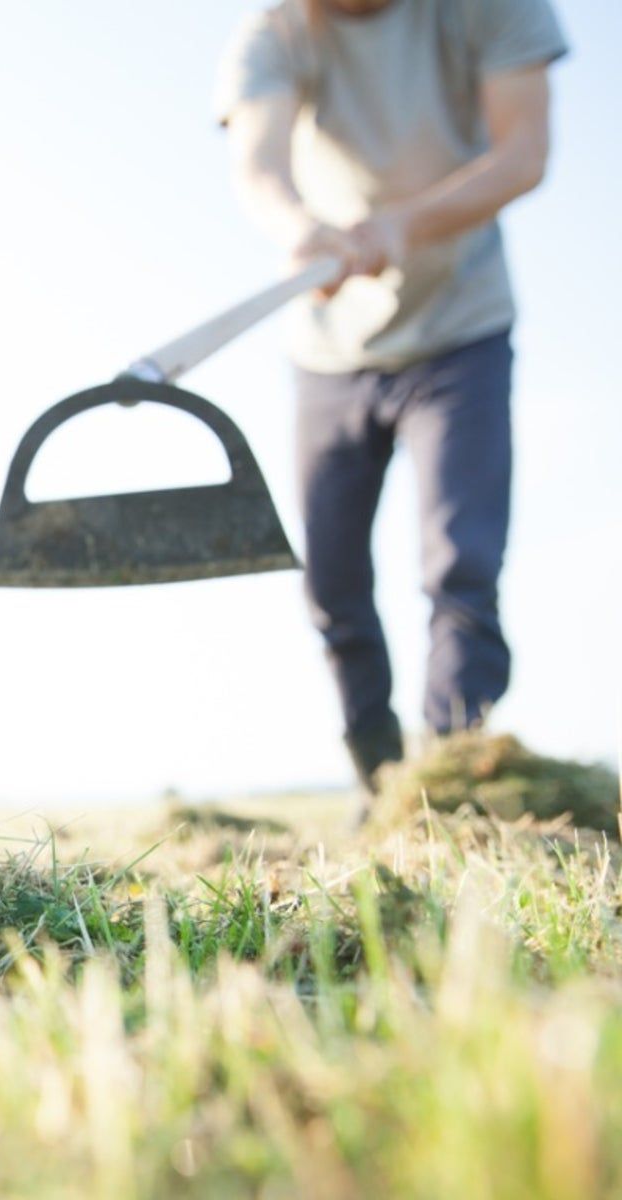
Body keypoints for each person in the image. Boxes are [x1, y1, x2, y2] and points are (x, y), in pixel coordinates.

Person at [214, 0, 567, 797]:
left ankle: (452, 781)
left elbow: (524, 152)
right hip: (330, 352)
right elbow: (257, 162)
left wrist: (405, 224)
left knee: (461, 564)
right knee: (333, 585)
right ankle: (380, 784)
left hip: (462, 328)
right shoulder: (277, 31)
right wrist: (300, 229)